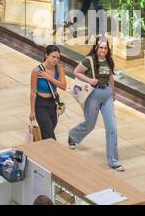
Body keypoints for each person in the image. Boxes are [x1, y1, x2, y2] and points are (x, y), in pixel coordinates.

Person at [68, 36, 122, 171]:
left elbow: (110, 77)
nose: (103, 50)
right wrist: (89, 79)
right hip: (93, 96)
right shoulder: (89, 60)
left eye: (106, 47)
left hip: (107, 96)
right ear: (96, 47)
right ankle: (73, 135)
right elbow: (76, 72)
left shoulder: (109, 61)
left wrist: (113, 92)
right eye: (101, 47)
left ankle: (113, 160)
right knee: (90, 124)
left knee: (112, 128)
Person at [31, 44, 68, 141]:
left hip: (53, 103)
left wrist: (49, 77)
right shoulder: (37, 71)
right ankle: (54, 154)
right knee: (50, 136)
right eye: (53, 57)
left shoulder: (59, 68)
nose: (55, 60)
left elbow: (63, 86)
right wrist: (32, 111)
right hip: (40, 104)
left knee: (48, 132)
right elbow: (32, 92)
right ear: (46, 55)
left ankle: (42, 151)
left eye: (58, 58)